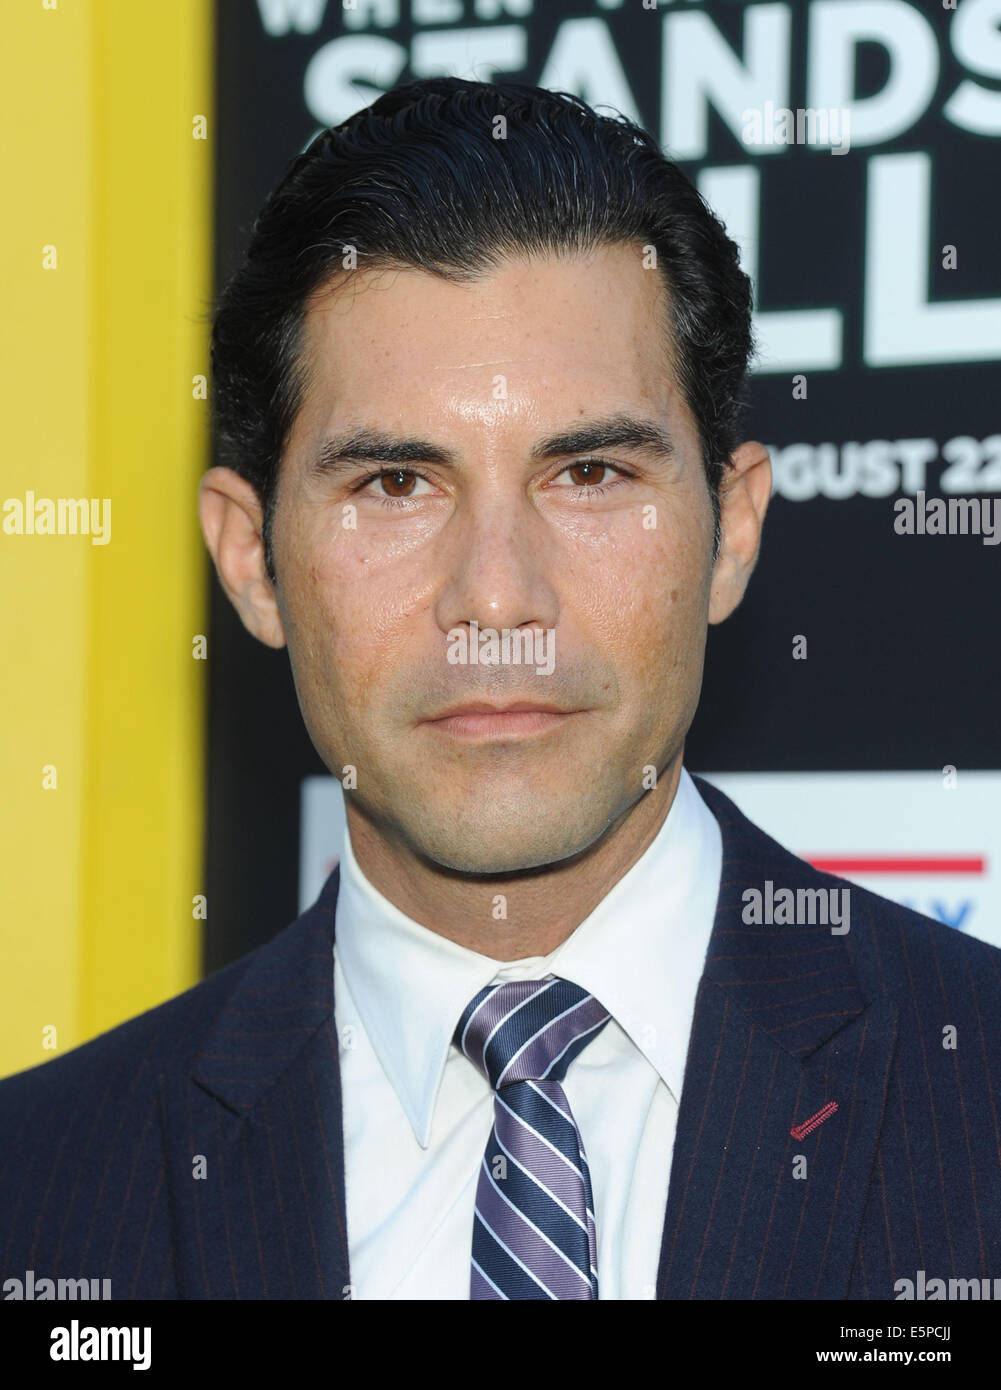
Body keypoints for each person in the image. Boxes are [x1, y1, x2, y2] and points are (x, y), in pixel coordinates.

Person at [2, 77, 999, 1303]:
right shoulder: (37, 1195)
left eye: (586, 471)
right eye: (393, 486)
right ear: (250, 561)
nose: (495, 598)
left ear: (728, 534)